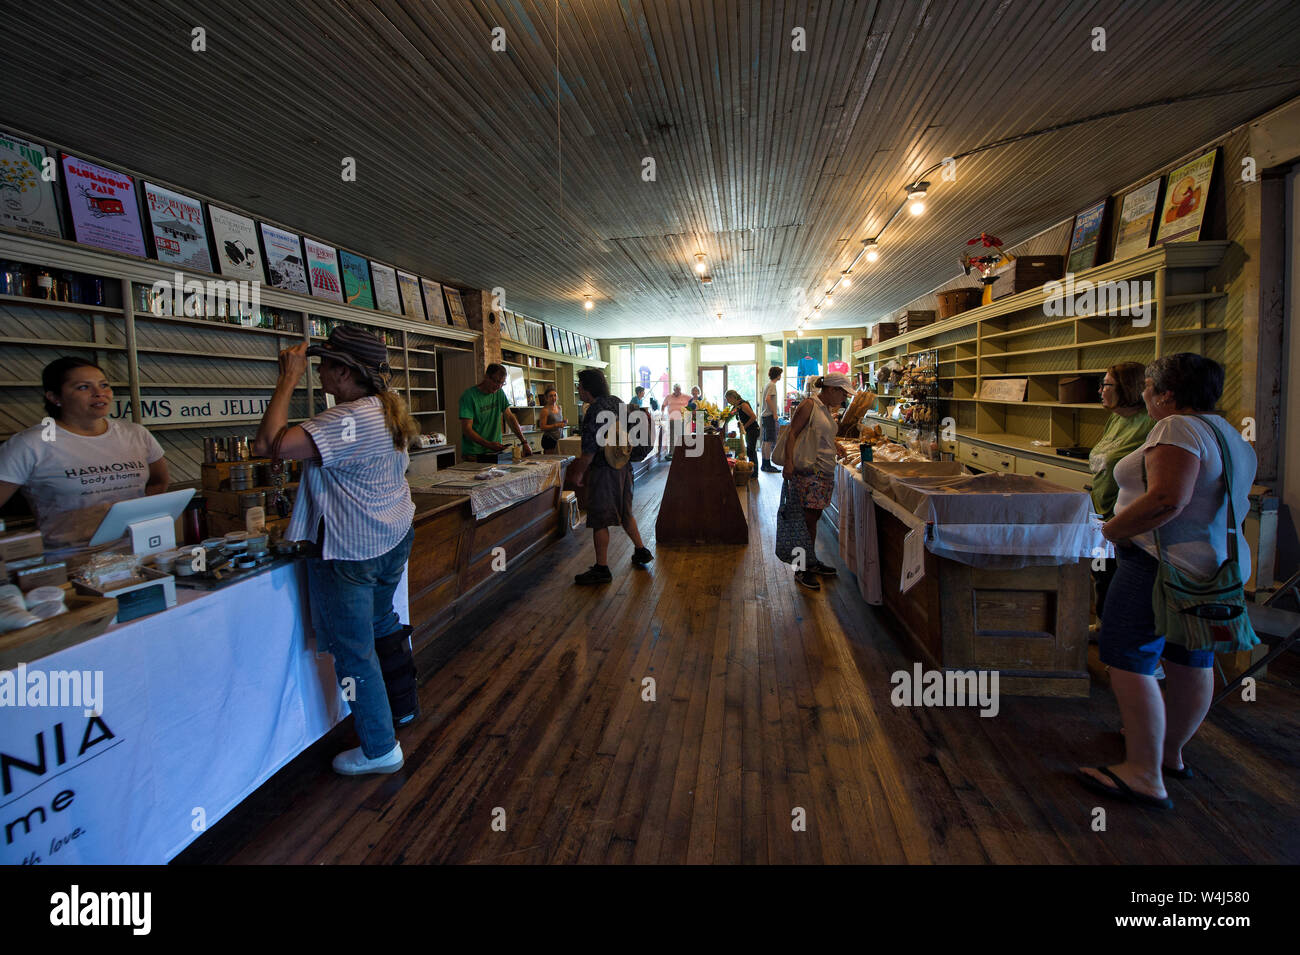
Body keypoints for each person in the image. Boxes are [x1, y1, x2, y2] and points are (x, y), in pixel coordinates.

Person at [1079, 353, 1256, 809]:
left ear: (1167, 395)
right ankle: (1168, 754)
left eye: (1149, 389)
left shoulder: (1176, 427)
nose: (1145, 397)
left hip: (1159, 562)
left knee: (1127, 656)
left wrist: (1111, 531)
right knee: (1190, 660)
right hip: (1208, 568)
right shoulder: (1233, 436)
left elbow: (1166, 499)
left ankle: (1142, 771)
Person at [253, 327, 419, 776]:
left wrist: (286, 379)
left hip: (351, 549)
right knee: (381, 620)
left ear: (345, 371)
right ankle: (403, 706)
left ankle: (381, 748)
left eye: (325, 364)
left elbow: (268, 445)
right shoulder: (384, 408)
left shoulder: (348, 419)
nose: (318, 371)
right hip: (392, 534)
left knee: (354, 651)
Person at [0, 357, 169, 552]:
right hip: (72, 559)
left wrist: (136, 518)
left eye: (104, 385)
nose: (99, 393)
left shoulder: (136, 434)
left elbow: (159, 482)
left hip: (141, 549)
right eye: (83, 387)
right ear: (54, 397)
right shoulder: (30, 444)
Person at [568, 368, 652, 584]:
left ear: (587, 388)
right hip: (623, 466)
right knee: (625, 512)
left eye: (580, 385)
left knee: (599, 518)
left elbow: (589, 449)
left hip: (604, 471)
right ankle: (641, 550)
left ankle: (602, 568)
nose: (578, 389)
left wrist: (578, 473)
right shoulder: (616, 401)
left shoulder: (594, 410)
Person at [1088, 362, 1154, 618]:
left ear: (1127, 388)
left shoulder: (1150, 422)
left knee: (1121, 582)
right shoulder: (1115, 419)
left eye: (1106, 385)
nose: (1101, 390)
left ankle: (1118, 639)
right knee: (1102, 573)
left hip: (1125, 518)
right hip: (1100, 512)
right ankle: (1104, 626)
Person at [781, 373, 853, 591]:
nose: (844, 397)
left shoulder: (825, 409)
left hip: (822, 472)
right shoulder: (809, 405)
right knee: (805, 521)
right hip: (808, 472)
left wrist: (835, 446)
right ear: (831, 389)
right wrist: (788, 463)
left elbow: (821, 436)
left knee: (812, 519)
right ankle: (802, 567)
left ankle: (810, 561)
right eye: (843, 392)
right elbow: (791, 433)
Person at [459, 363, 532, 462]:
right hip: (474, 454)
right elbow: (467, 429)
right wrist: (488, 444)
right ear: (486, 377)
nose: (498, 386)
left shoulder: (499, 393)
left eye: (502, 383)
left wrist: (524, 442)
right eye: (496, 381)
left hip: (495, 452)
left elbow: (510, 417)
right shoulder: (469, 396)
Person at [724, 389, 761, 477]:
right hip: (749, 430)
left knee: (751, 451)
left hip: (753, 429)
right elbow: (731, 415)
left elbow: (753, 417)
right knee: (750, 451)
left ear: (732, 397)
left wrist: (744, 427)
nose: (728, 402)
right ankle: (752, 472)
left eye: (728, 400)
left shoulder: (743, 404)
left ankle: (754, 474)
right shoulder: (737, 405)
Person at [760, 366, 782, 472]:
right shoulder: (772, 385)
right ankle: (767, 465)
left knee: (765, 441)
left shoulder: (768, 384)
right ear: (777, 375)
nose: (780, 376)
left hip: (765, 415)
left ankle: (764, 464)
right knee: (768, 441)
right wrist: (774, 413)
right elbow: (768, 399)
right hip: (769, 415)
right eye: (780, 374)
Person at [662, 384, 691, 460]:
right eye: (676, 389)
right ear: (674, 390)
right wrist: (662, 414)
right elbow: (663, 405)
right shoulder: (669, 397)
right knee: (672, 437)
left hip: (682, 419)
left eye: (679, 389)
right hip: (672, 419)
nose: (678, 391)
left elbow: (694, 401)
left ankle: (681, 452)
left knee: (681, 436)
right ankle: (672, 452)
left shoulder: (686, 396)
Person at [537, 387, 567, 453]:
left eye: (555, 395)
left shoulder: (559, 408)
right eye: (551, 396)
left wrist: (563, 422)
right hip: (550, 439)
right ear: (546, 398)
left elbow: (557, 422)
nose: (553, 398)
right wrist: (556, 425)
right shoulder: (545, 410)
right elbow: (542, 427)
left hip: (560, 438)